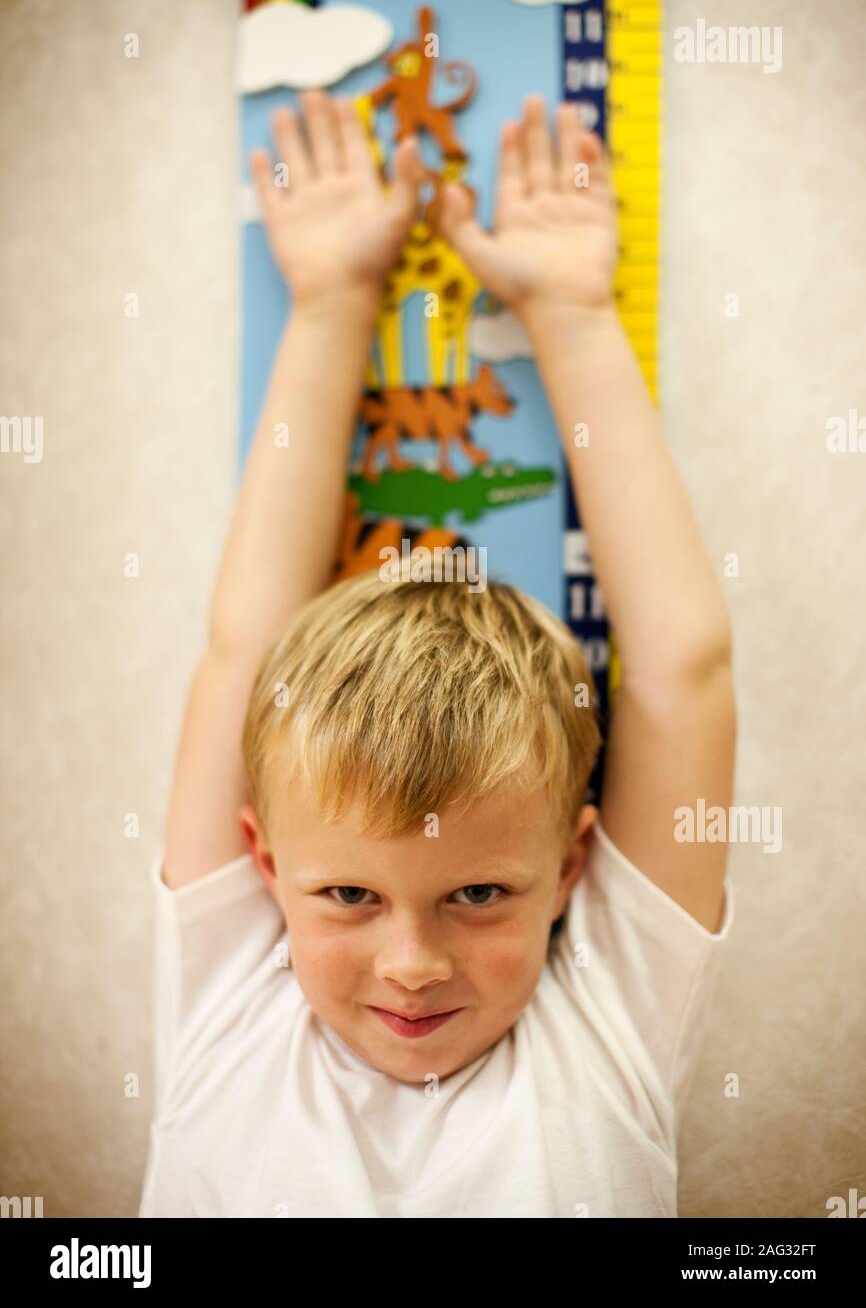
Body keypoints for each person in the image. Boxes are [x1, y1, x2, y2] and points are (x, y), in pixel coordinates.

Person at [138, 88, 736, 1218]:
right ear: (260, 862)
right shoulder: (231, 989)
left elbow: (682, 668)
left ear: (569, 866)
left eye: (474, 891)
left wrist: (570, 310)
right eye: (349, 893)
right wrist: (328, 304)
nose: (410, 963)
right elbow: (241, 655)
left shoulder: (607, 1019)